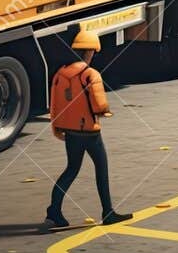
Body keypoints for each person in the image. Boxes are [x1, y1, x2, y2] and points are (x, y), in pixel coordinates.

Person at [43, 31, 132, 231]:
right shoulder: (90, 74)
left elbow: (54, 104)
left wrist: (56, 126)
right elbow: (99, 103)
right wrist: (105, 112)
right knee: (101, 169)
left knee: (71, 170)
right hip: (90, 133)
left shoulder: (60, 74)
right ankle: (107, 212)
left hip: (70, 132)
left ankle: (54, 211)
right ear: (89, 52)